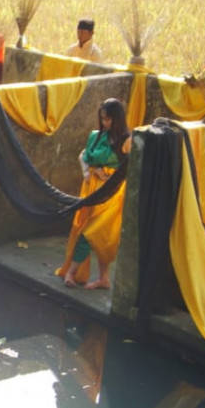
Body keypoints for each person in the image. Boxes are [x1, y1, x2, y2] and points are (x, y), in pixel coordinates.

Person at [57, 98, 131, 289]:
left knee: (94, 233)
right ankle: (103, 278)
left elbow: (130, 166)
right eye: (103, 119)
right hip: (92, 190)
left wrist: (109, 173)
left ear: (117, 119)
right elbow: (83, 155)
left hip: (112, 193)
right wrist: (90, 171)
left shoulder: (126, 141)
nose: (105, 123)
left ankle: (72, 273)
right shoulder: (97, 136)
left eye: (108, 119)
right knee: (88, 230)